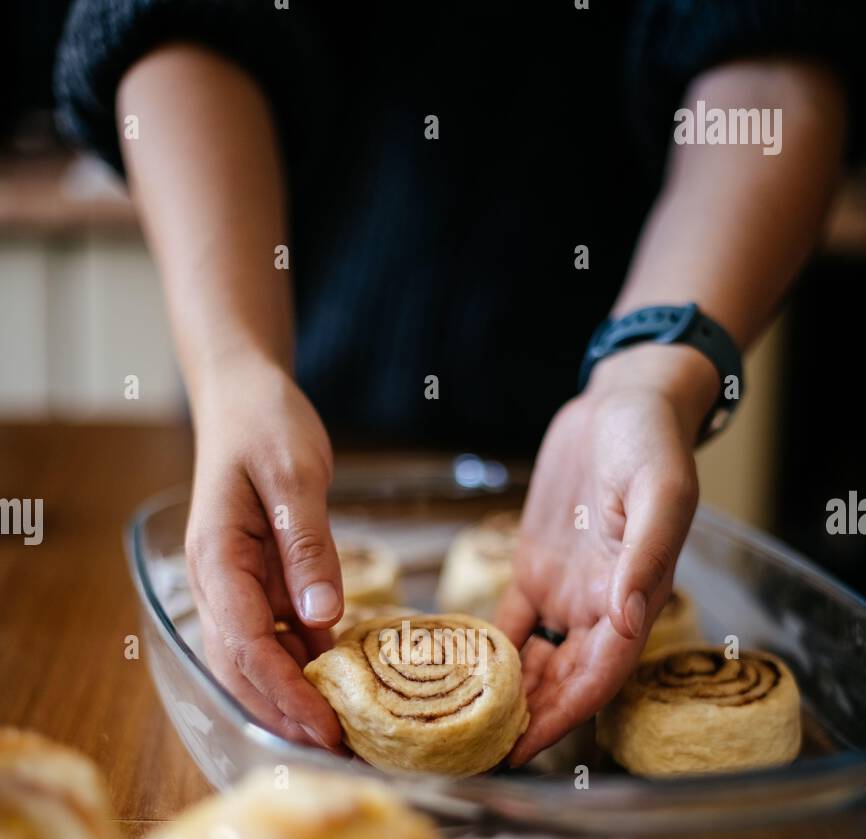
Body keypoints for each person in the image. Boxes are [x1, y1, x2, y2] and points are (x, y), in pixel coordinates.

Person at [55, 1, 858, 763]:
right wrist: (233, 370)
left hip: (582, 416)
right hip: (276, 390)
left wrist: (645, 374)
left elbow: (777, 40)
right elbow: (165, 15)